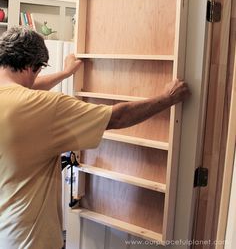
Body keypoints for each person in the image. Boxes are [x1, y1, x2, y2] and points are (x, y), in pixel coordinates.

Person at [0, 27, 190, 249]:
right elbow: (116, 117)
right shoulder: (45, 106)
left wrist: (65, 73)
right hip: (30, 240)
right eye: (39, 71)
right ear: (33, 66)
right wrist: (167, 98)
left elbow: (25, 87)